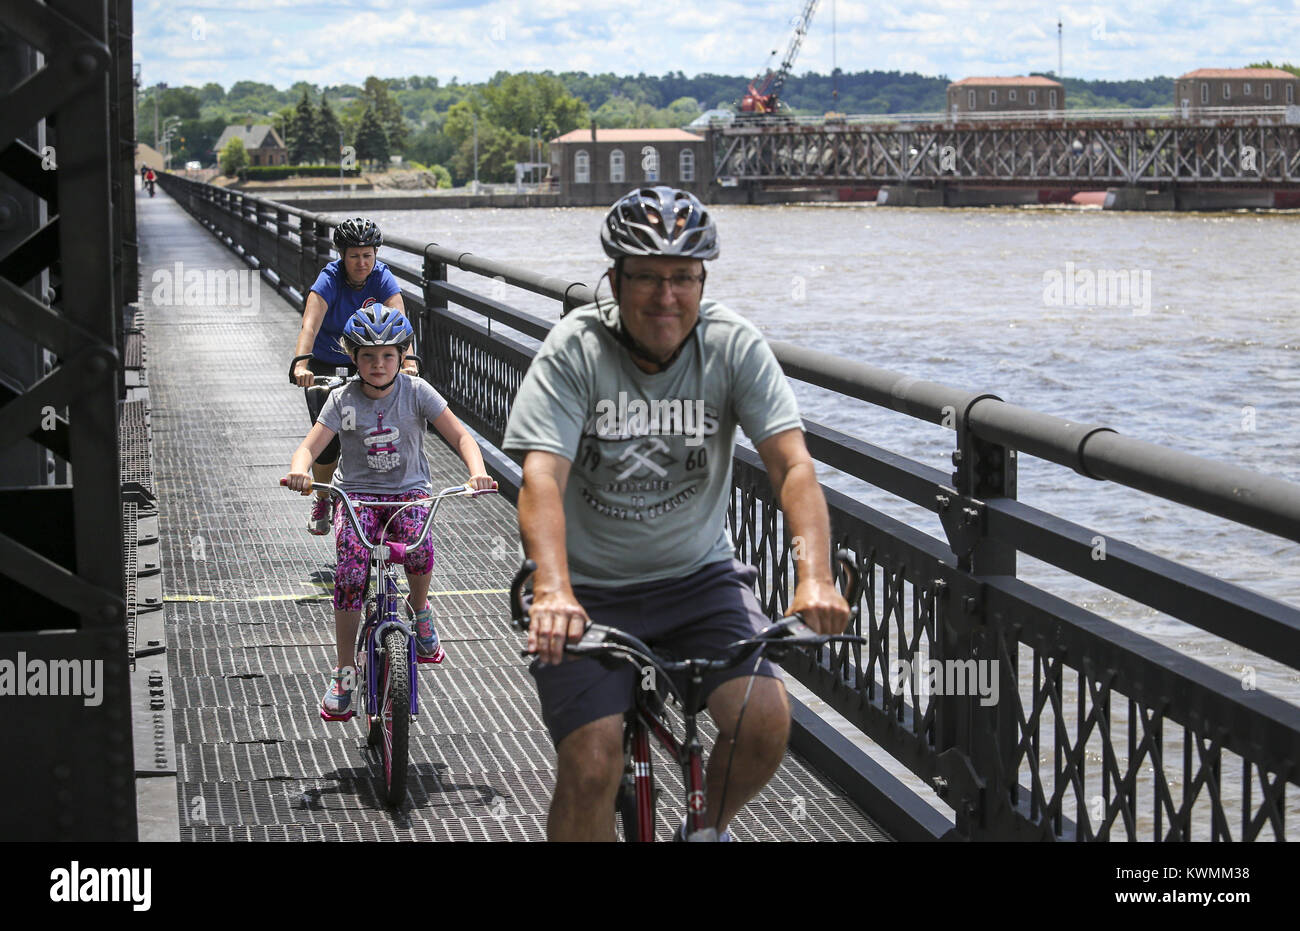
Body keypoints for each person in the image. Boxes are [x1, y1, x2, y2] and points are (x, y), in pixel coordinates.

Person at [501, 185, 850, 841]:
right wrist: (551, 587)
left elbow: (792, 465)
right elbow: (542, 472)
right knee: (592, 760)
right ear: (614, 279)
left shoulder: (732, 344)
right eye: (648, 279)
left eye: (682, 278)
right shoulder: (575, 348)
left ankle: (707, 828)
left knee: (764, 718)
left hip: (698, 578)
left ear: (702, 280)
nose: (667, 297)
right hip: (587, 588)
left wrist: (815, 576)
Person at [283, 305, 496, 718]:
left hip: (408, 493)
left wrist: (477, 473)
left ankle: (420, 610)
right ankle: (345, 669)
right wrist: (299, 471)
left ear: (402, 355)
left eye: (387, 355)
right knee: (349, 571)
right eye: (367, 355)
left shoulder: (417, 393)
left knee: (419, 547)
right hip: (358, 495)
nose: (378, 364)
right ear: (351, 356)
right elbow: (310, 446)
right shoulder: (342, 399)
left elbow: (462, 438)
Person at [292, 217, 417, 535]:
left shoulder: (382, 277)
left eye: (367, 255)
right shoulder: (329, 279)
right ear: (341, 256)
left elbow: (399, 319)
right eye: (353, 256)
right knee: (329, 441)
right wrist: (301, 364)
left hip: (365, 362)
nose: (361, 262)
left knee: (375, 433)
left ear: (375, 254)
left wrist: (408, 360)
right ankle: (323, 497)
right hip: (325, 363)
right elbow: (310, 321)